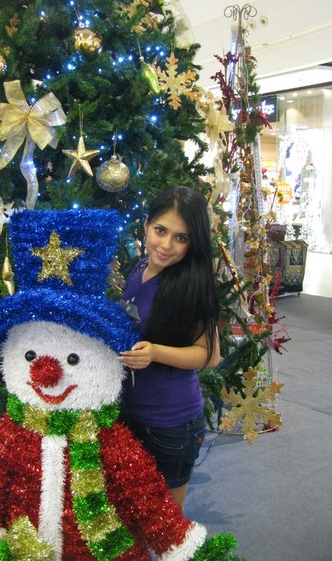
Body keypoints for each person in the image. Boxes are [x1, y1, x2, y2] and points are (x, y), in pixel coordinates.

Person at [119, 185, 220, 512]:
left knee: (166, 522)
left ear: (193, 242)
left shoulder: (192, 285)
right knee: (133, 511)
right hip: (132, 413)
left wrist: (155, 353)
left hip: (171, 425)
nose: (165, 245)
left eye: (181, 238)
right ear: (146, 224)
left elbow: (210, 355)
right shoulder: (140, 268)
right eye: (160, 231)